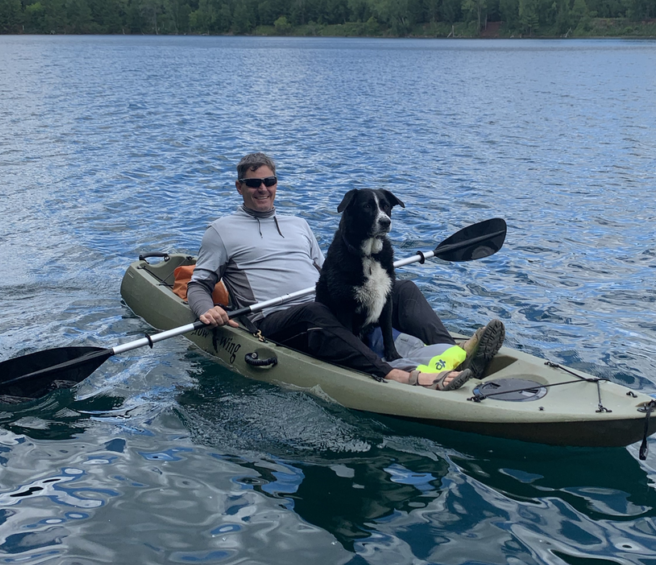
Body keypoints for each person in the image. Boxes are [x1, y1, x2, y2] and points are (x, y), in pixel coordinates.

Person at [187, 152, 504, 389]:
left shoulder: (299, 225)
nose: (262, 189)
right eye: (253, 183)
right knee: (316, 311)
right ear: (239, 187)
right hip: (274, 319)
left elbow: (328, 273)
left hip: (324, 306)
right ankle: (400, 375)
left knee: (402, 289)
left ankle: (454, 353)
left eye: (269, 182)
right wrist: (207, 309)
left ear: (276, 184)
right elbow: (198, 285)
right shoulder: (221, 231)